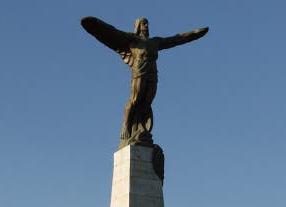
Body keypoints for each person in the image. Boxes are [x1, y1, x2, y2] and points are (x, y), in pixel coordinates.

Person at [81, 16, 208, 147]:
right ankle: (125, 127)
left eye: (147, 23)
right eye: (143, 23)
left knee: (147, 103)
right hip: (139, 72)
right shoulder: (132, 40)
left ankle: (141, 128)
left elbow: (176, 39)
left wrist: (195, 33)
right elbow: (112, 32)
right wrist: (95, 25)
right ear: (137, 26)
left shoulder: (155, 42)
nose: (146, 26)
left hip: (152, 74)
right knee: (135, 99)